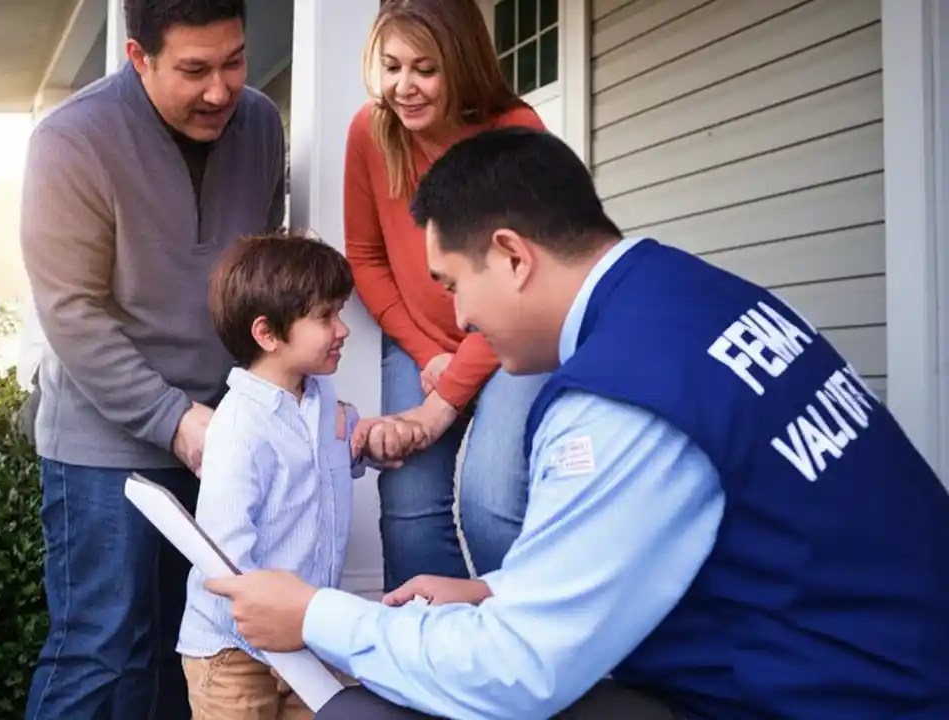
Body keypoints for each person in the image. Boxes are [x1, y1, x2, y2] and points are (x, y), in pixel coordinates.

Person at [206, 127, 949, 719]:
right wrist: (500, 590)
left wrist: (317, 617)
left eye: (455, 285)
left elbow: (517, 673)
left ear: (512, 256)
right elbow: (671, 534)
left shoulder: (619, 393)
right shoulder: (702, 298)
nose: (459, 317)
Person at [17, 0, 287, 716]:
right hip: (102, 444)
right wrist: (175, 419)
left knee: (191, 654)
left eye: (234, 61)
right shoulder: (69, 142)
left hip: (220, 436)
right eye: (194, 70)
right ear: (138, 57)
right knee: (103, 655)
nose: (221, 91)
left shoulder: (260, 123)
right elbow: (71, 312)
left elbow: (257, 283)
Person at [344, 0, 551, 587]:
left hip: (512, 340)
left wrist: (443, 400)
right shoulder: (370, 131)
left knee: (491, 504)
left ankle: (523, 648)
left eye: (425, 70)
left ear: (460, 63)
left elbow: (523, 279)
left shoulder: (516, 133)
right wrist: (426, 352)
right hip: (420, 346)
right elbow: (366, 256)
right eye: (391, 67)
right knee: (408, 509)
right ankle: (430, 663)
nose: (403, 87)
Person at [177, 233, 415, 718]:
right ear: (268, 334)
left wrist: (364, 448)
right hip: (233, 652)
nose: (343, 329)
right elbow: (225, 559)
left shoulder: (319, 398)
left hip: (301, 635)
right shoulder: (240, 425)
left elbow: (318, 473)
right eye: (326, 316)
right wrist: (274, 633)